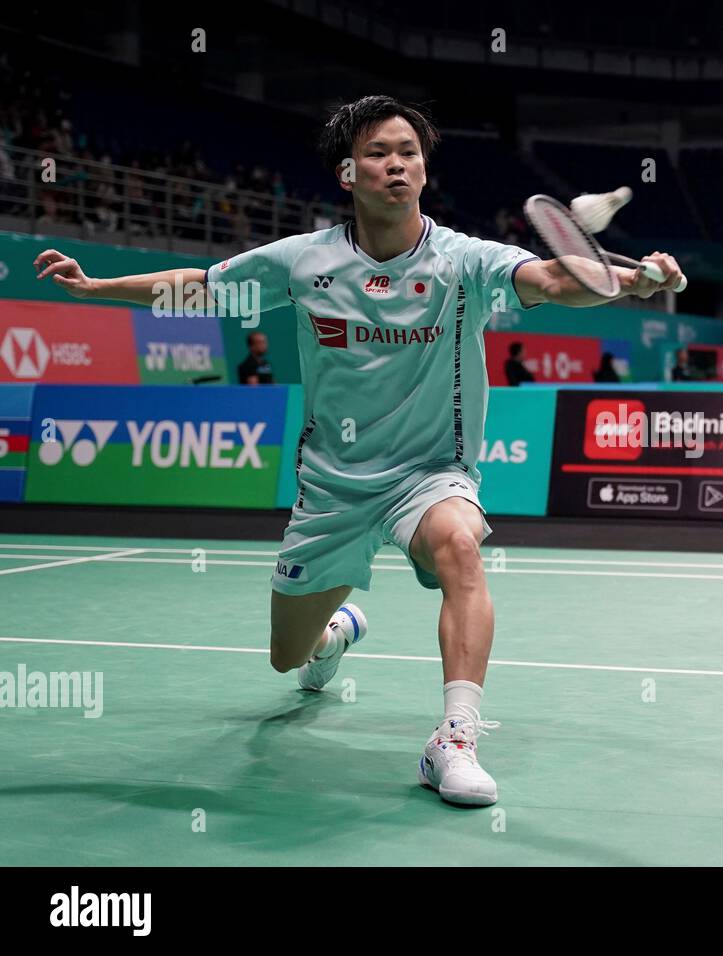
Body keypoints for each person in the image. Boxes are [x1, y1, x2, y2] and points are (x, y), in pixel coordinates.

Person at [33, 94, 683, 806]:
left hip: (430, 472)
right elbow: (203, 288)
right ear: (348, 173)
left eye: (408, 152)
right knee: (288, 658)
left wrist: (632, 280)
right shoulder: (304, 261)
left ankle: (454, 739)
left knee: (462, 548)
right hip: (333, 487)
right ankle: (334, 634)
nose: (396, 164)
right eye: (378, 153)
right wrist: (98, 287)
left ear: (425, 171)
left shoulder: (463, 261)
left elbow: (556, 279)